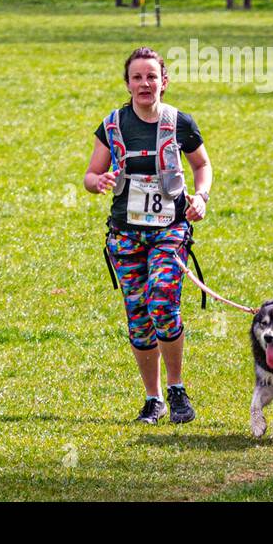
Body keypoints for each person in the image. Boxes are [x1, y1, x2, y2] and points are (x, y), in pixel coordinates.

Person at [84, 47, 212, 424]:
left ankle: (176, 389)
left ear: (164, 81)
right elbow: (90, 175)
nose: (144, 83)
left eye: (151, 76)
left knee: (162, 301)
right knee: (138, 314)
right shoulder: (112, 125)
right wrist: (99, 181)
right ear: (127, 84)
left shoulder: (180, 123)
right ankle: (153, 398)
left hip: (169, 230)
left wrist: (201, 197)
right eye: (137, 77)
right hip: (125, 234)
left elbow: (202, 164)